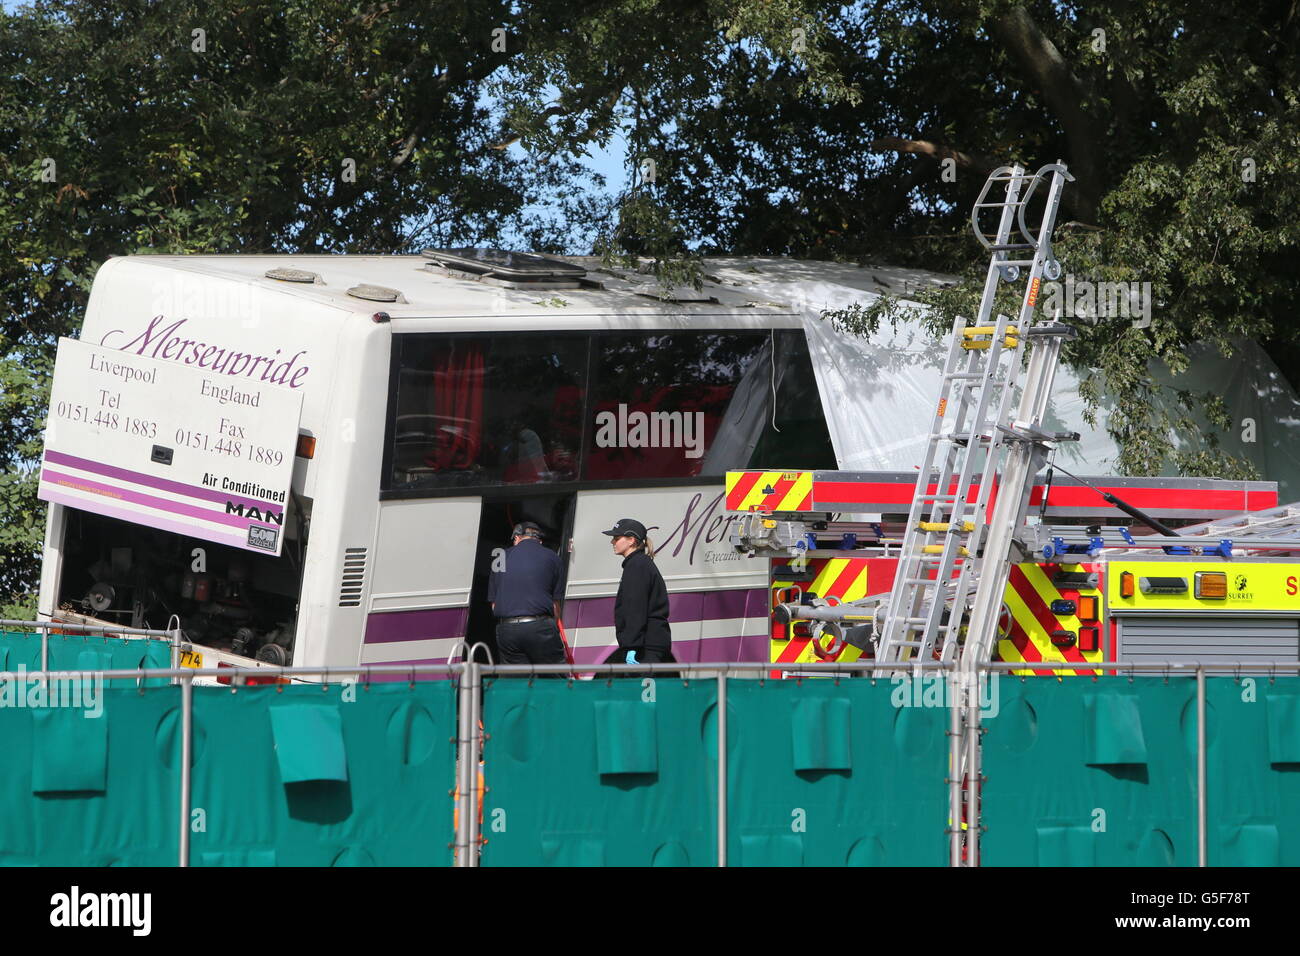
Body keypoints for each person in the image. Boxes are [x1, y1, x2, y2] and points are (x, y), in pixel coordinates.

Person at [487, 521, 567, 667]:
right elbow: (555, 604)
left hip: (507, 630)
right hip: (539, 627)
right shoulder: (553, 558)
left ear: (517, 538)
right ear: (539, 541)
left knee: (516, 682)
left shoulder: (499, 558)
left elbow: (494, 605)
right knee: (553, 680)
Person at [601, 518, 675, 666]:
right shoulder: (639, 563)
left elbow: (635, 609)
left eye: (616, 538)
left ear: (631, 540)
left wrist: (631, 646)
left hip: (645, 647)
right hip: (649, 643)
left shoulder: (637, 566)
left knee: (642, 687)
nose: (612, 542)